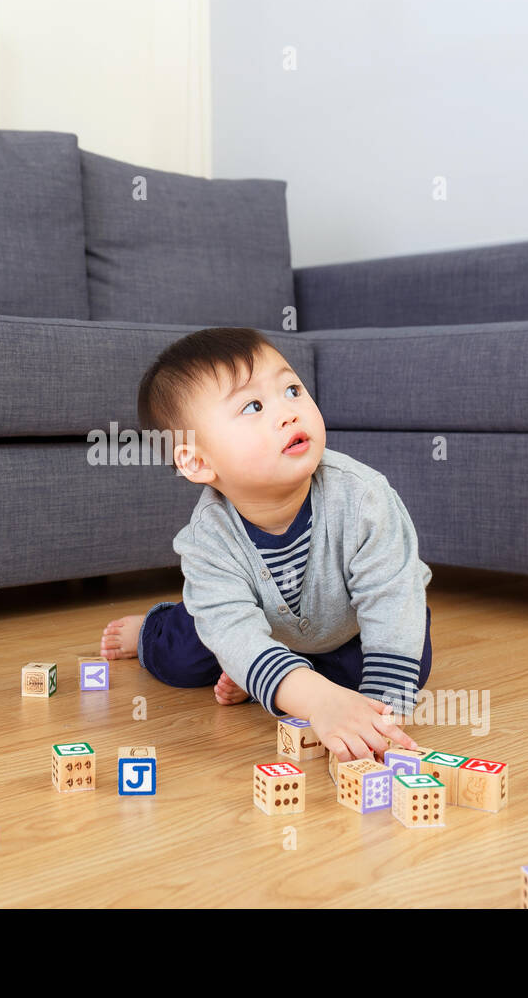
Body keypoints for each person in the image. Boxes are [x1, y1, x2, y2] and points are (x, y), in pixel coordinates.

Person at [100, 326, 432, 762]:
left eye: (292, 389)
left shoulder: (365, 498)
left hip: (343, 626)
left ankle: (269, 673)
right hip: (239, 619)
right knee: (184, 658)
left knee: (406, 660)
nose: (289, 412)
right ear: (198, 462)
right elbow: (230, 628)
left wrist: (378, 721)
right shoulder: (208, 540)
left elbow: (393, 602)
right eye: (253, 406)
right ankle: (159, 632)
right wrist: (318, 703)